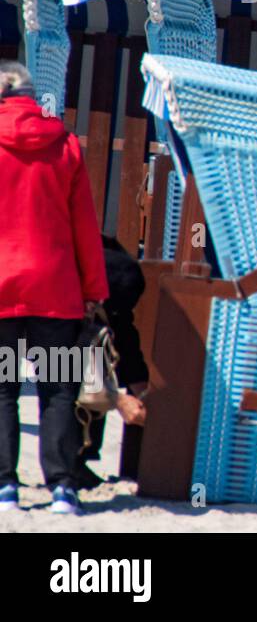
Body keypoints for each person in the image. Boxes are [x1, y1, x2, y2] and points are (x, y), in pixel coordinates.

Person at [0, 61, 108, 516]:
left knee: (3, 388)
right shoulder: (65, 145)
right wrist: (94, 289)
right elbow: (84, 226)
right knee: (58, 389)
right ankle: (63, 488)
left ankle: (5, 488)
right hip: (55, 290)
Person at [74, 236, 149, 490]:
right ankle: (67, 464)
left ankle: (80, 457)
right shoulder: (72, 287)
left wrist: (144, 393)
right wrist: (118, 400)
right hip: (24, 313)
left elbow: (124, 333)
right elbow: (62, 362)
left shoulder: (114, 270)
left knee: (104, 346)